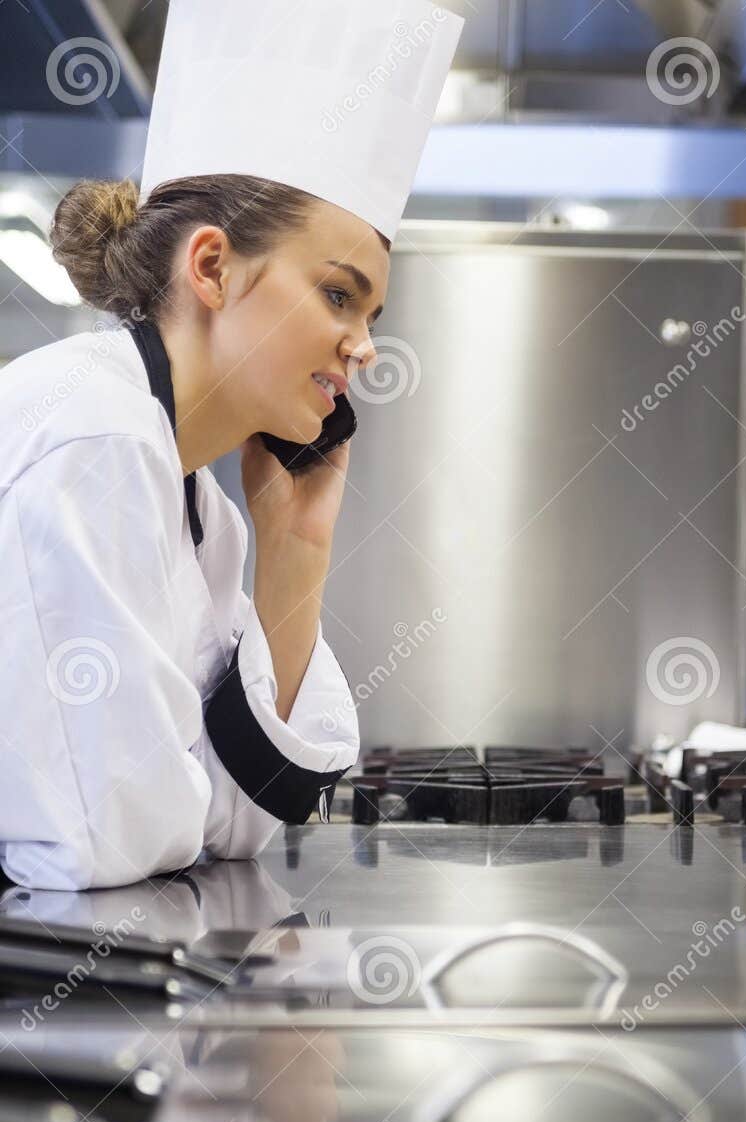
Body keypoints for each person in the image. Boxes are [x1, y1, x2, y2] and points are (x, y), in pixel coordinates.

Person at [0, 0, 462, 892]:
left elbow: (248, 814)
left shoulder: (207, 511)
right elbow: (103, 841)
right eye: (338, 295)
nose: (364, 345)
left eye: (371, 314)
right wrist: (187, 797)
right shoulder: (93, 434)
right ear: (210, 267)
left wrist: (296, 551)